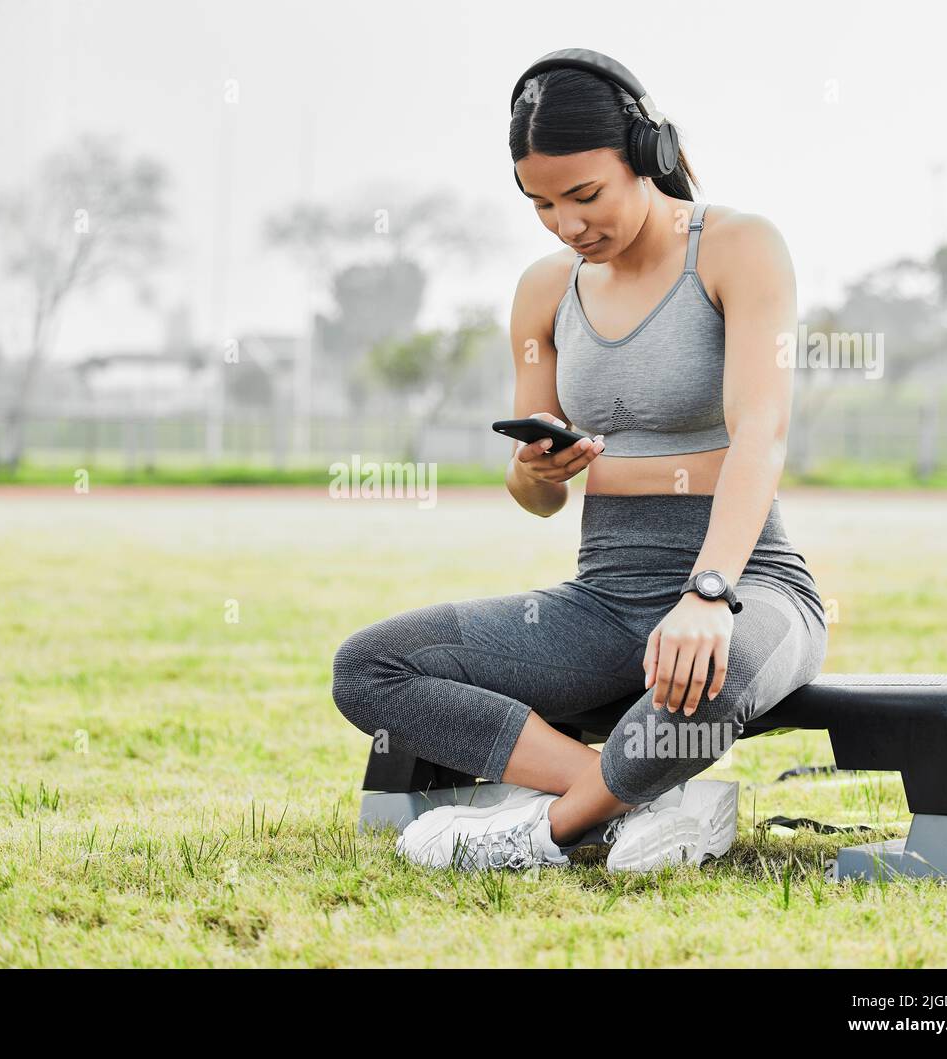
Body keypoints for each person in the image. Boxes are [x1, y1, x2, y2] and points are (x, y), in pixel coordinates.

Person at [332, 51, 828, 873]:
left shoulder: (739, 248)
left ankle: (542, 833)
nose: (567, 224)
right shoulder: (543, 290)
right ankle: (635, 795)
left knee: (710, 671)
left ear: (649, 154)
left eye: (585, 195)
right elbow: (534, 497)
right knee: (370, 664)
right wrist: (538, 468)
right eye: (541, 205)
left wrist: (710, 594)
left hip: (750, 583)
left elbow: (761, 432)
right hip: (603, 597)